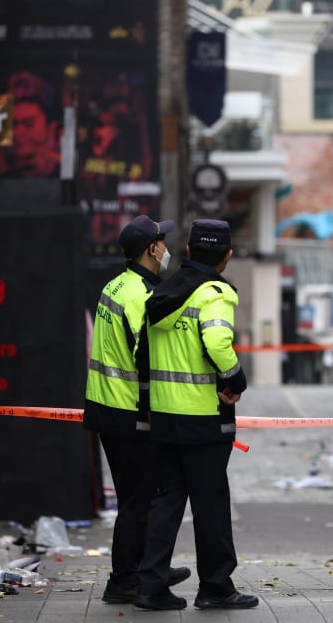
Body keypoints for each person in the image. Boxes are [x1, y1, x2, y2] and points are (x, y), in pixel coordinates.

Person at [134, 219, 258, 611]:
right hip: (203, 417)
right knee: (212, 506)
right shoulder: (215, 293)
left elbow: (143, 353)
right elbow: (218, 341)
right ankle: (216, 587)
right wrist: (235, 379)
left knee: (167, 502)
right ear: (227, 256)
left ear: (188, 250)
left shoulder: (163, 291)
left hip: (166, 416)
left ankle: (150, 586)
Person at [83, 215, 190, 604]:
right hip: (128, 411)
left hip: (107, 405)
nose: (166, 248)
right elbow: (147, 359)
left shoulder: (117, 284)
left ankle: (146, 568)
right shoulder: (140, 295)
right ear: (151, 249)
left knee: (137, 494)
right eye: (162, 241)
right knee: (139, 499)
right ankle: (125, 580)